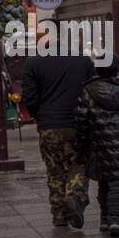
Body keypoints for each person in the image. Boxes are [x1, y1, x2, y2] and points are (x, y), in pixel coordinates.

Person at [21, 48, 95, 228]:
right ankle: (74, 196)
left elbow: (29, 96)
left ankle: (59, 214)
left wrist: (40, 115)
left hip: (49, 125)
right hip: (77, 124)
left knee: (54, 169)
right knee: (79, 164)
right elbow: (92, 91)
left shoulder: (33, 63)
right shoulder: (83, 61)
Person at [75, 54, 119, 238]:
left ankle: (105, 218)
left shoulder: (88, 90)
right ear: (116, 69)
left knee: (104, 182)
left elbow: (81, 119)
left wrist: (81, 143)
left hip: (98, 145)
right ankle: (115, 219)